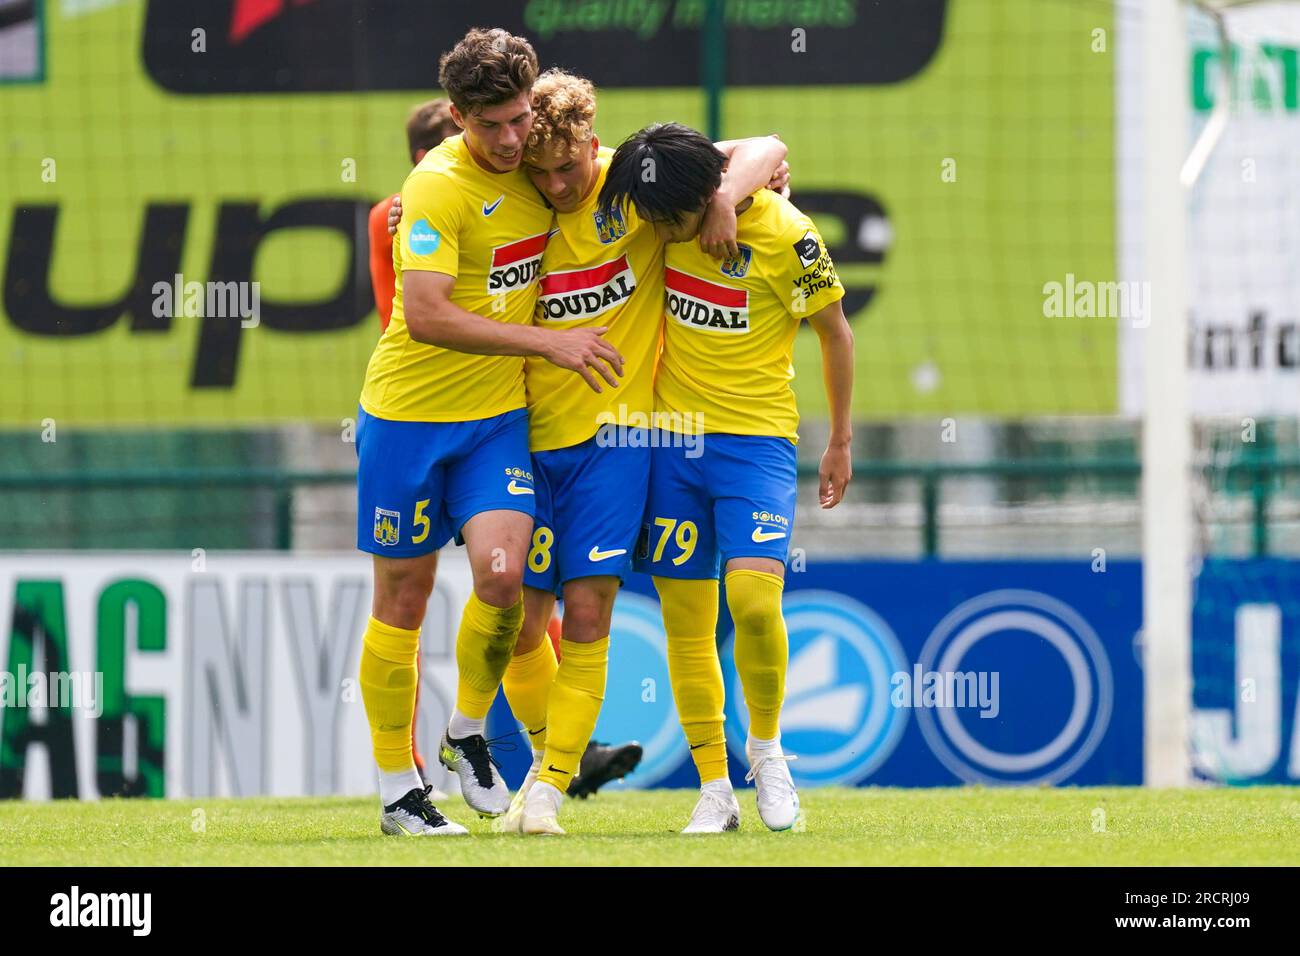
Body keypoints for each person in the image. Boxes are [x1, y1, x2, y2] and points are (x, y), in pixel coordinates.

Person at [355, 28, 622, 837]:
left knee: (505, 583)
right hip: (406, 419)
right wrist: (553, 343)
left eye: (518, 118)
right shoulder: (436, 188)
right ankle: (399, 791)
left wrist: (732, 184)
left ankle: (466, 731)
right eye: (491, 125)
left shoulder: (551, 161)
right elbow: (429, 315)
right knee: (403, 599)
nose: (510, 140)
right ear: (459, 118)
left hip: (496, 423)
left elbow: (712, 154)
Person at [597, 122, 855, 833]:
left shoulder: (785, 232)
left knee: (752, 600)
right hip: (671, 441)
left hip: (757, 442)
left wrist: (839, 439)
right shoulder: (661, 207)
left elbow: (836, 331)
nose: (652, 229)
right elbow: (752, 146)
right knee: (687, 619)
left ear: (702, 198)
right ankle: (714, 789)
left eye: (665, 219)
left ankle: (768, 754)